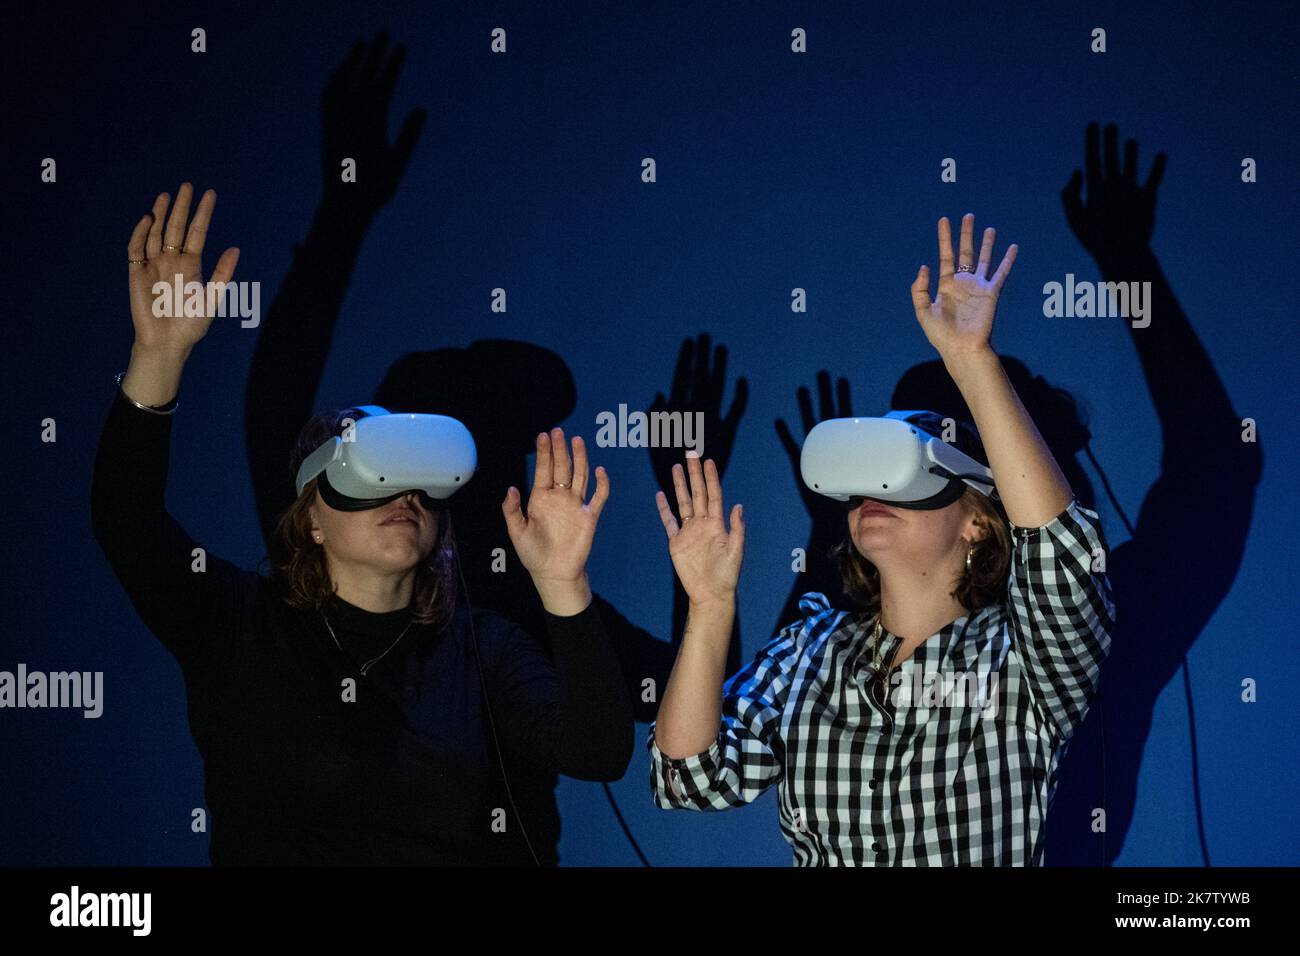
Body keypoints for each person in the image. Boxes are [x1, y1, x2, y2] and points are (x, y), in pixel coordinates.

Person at [91, 182, 633, 865]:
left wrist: (564, 588)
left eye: (417, 476)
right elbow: (124, 520)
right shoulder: (241, 626)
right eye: (368, 469)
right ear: (310, 518)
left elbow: (598, 752)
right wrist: (158, 359)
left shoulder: (481, 649)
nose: (399, 491)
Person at [647, 214, 1115, 865]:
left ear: (978, 519)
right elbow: (688, 780)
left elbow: (1060, 551)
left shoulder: (1025, 663)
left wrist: (972, 362)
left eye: (906, 470)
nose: (878, 491)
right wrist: (709, 608)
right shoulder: (809, 647)